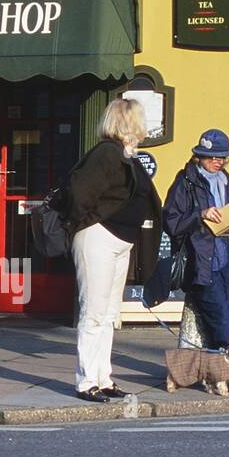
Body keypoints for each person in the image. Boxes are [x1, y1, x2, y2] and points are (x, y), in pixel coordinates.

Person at [65, 99, 163, 402]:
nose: (146, 126)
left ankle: (103, 377)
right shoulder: (106, 153)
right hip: (99, 237)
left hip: (120, 241)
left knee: (109, 314)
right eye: (141, 119)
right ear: (128, 122)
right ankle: (85, 381)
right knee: (93, 313)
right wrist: (91, 221)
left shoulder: (127, 155)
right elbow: (79, 194)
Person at [162, 129, 229, 394]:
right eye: (212, 157)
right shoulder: (185, 182)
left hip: (226, 259)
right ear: (199, 156)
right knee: (221, 322)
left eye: (223, 158)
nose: (218, 162)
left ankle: (221, 374)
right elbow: (171, 221)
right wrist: (200, 214)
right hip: (201, 262)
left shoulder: (225, 180)